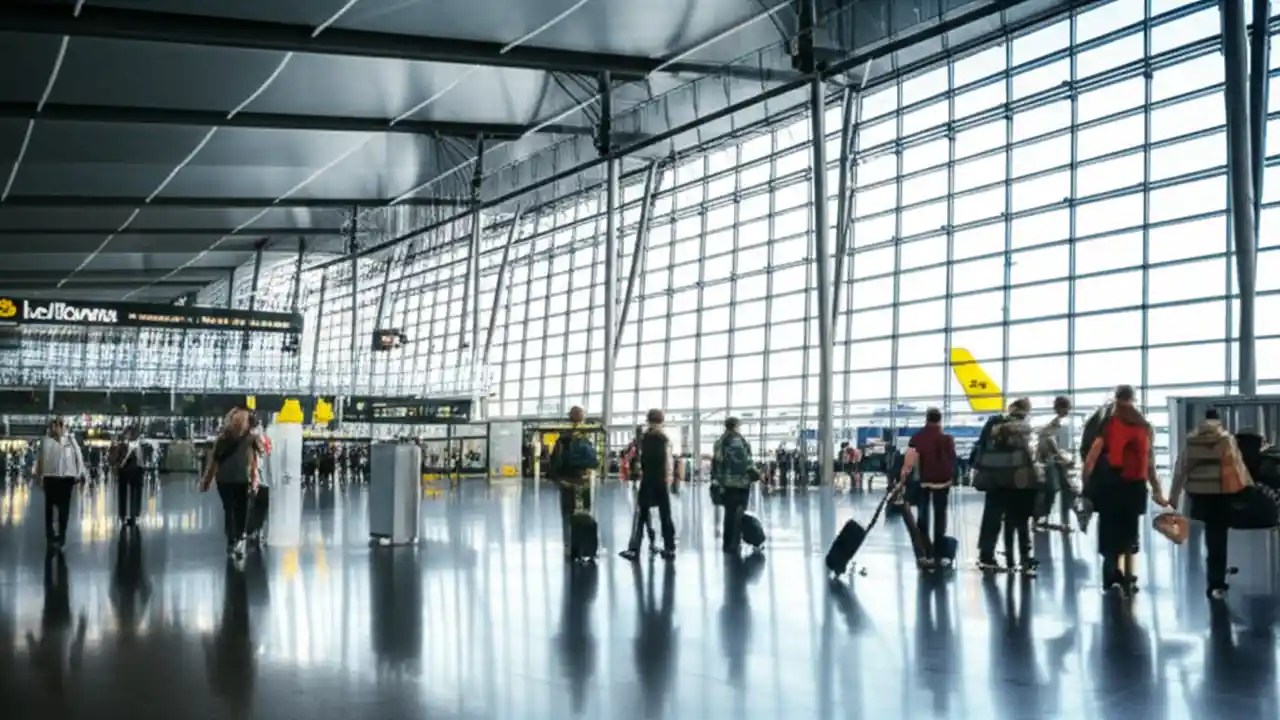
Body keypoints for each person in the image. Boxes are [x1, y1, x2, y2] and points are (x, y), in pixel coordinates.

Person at [1082, 385, 1167, 595]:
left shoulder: (1104, 423)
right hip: (1134, 487)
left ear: (1116, 397)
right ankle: (1129, 576)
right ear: (1133, 398)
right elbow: (1149, 463)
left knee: (1109, 531)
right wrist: (1156, 489)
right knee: (1130, 533)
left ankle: (1110, 576)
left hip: (1109, 486)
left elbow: (1091, 459)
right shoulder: (1143, 425)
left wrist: (1086, 485)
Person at [1168, 409, 1253, 600]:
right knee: (1217, 539)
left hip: (1198, 496)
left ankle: (1202, 571)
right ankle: (1216, 583)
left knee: (1201, 536)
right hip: (1220, 494)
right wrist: (1246, 489)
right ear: (1218, 421)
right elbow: (1236, 466)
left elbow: (1180, 469)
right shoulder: (1225, 439)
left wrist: (1173, 497)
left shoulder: (1192, 440)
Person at [973, 398, 1042, 573]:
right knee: (1019, 520)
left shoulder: (993, 423)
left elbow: (980, 447)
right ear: (1025, 411)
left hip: (993, 479)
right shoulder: (1023, 427)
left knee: (991, 518)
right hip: (1015, 480)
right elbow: (1028, 456)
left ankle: (986, 556)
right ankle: (1022, 558)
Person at [201, 408, 263, 560]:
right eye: (236, 421)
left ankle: (237, 539)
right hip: (227, 480)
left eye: (242, 421)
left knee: (237, 510)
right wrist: (207, 481)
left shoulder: (251, 439)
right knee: (231, 509)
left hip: (239, 480)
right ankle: (234, 539)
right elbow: (214, 462)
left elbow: (260, 455)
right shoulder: (223, 440)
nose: (238, 425)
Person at [899, 408, 957, 568]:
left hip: (924, 481)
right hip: (943, 481)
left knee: (923, 516)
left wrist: (904, 475)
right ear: (940, 420)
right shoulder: (947, 439)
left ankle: (926, 551)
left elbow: (909, 459)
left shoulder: (918, 437)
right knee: (940, 515)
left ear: (926, 419)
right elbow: (952, 459)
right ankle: (940, 550)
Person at [621, 409, 677, 562]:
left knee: (641, 515)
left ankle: (634, 548)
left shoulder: (646, 437)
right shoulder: (665, 438)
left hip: (648, 480)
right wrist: (670, 478)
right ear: (662, 420)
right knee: (665, 515)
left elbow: (635, 454)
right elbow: (669, 461)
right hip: (662, 481)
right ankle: (669, 547)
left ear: (648, 419)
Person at [549, 406, 597, 560]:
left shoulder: (562, 439)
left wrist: (558, 479)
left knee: (567, 515)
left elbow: (554, 462)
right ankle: (584, 548)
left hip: (566, 481)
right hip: (582, 481)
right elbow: (594, 462)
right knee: (584, 513)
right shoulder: (585, 439)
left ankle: (569, 547)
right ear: (583, 419)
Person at [34, 417, 88, 552]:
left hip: (66, 479)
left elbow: (79, 457)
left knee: (64, 509)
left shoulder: (71, 440)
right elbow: (40, 459)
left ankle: (61, 537)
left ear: (63, 427)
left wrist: (79, 474)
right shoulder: (45, 441)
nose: (55, 429)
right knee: (49, 509)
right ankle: (50, 537)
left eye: (58, 426)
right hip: (50, 478)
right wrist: (39, 476)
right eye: (53, 426)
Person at [1035, 396, 1078, 532]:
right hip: (1054, 462)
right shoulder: (1055, 423)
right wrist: (1064, 458)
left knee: (1056, 491)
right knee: (1054, 491)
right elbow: (1050, 442)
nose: (1067, 410)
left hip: (1057, 461)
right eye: (1066, 407)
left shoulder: (1061, 423)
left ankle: (1046, 520)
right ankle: (1050, 520)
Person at [712, 417, 754, 554]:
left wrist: (718, 481)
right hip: (741, 483)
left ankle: (728, 542)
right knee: (739, 512)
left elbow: (717, 464)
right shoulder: (741, 442)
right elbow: (748, 463)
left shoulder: (720, 442)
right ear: (736, 426)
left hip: (726, 484)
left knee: (729, 513)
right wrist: (755, 475)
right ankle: (735, 543)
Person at [116, 427, 146, 528]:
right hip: (127, 471)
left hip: (133, 471)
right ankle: (127, 515)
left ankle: (132, 515)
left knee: (132, 493)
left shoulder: (138, 446)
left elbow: (141, 460)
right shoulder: (123, 446)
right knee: (129, 493)